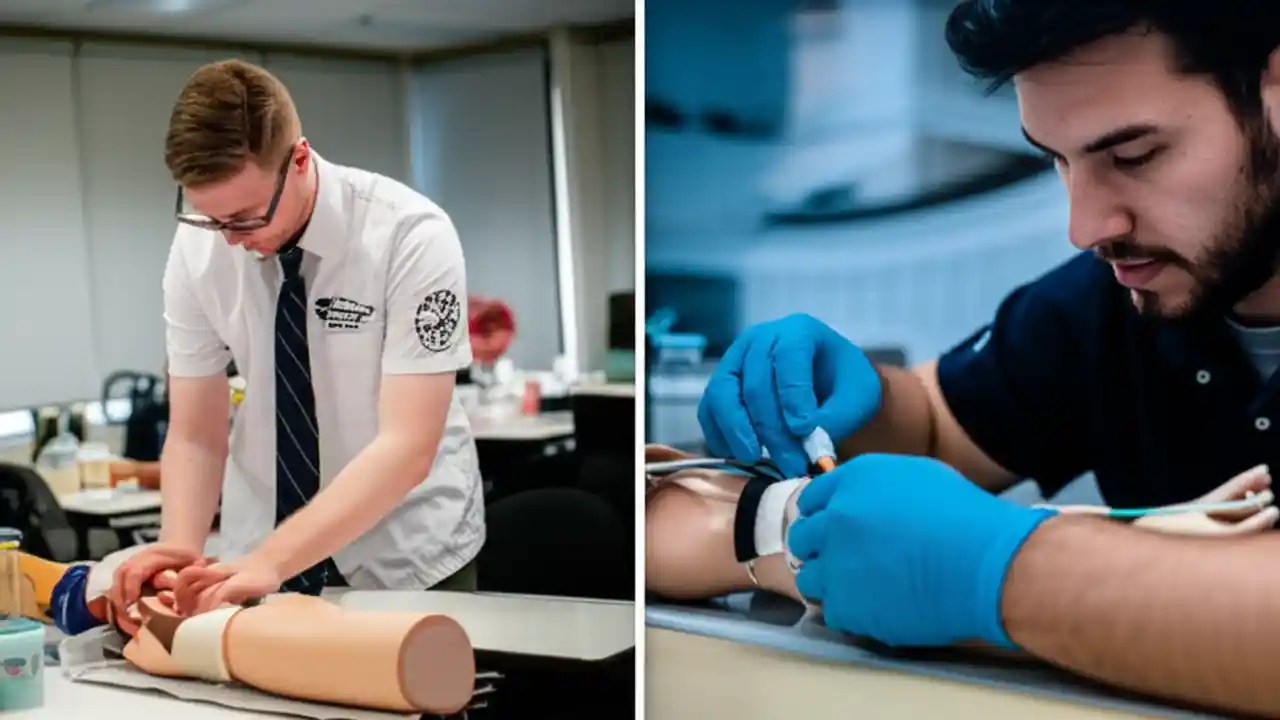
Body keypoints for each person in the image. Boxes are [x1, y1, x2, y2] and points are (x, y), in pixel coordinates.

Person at [697, 2, 1280, 716]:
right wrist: (850, 399)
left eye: (1134, 156)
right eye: (1057, 161)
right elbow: (942, 427)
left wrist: (1003, 573)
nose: (1086, 227)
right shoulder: (1112, 302)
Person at [109, 59, 483, 629]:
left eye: (244, 216)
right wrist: (179, 555)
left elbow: (408, 445)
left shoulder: (410, 236)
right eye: (211, 219)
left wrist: (272, 560)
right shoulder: (198, 245)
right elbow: (196, 432)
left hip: (406, 553)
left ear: (300, 160)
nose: (231, 240)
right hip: (256, 551)